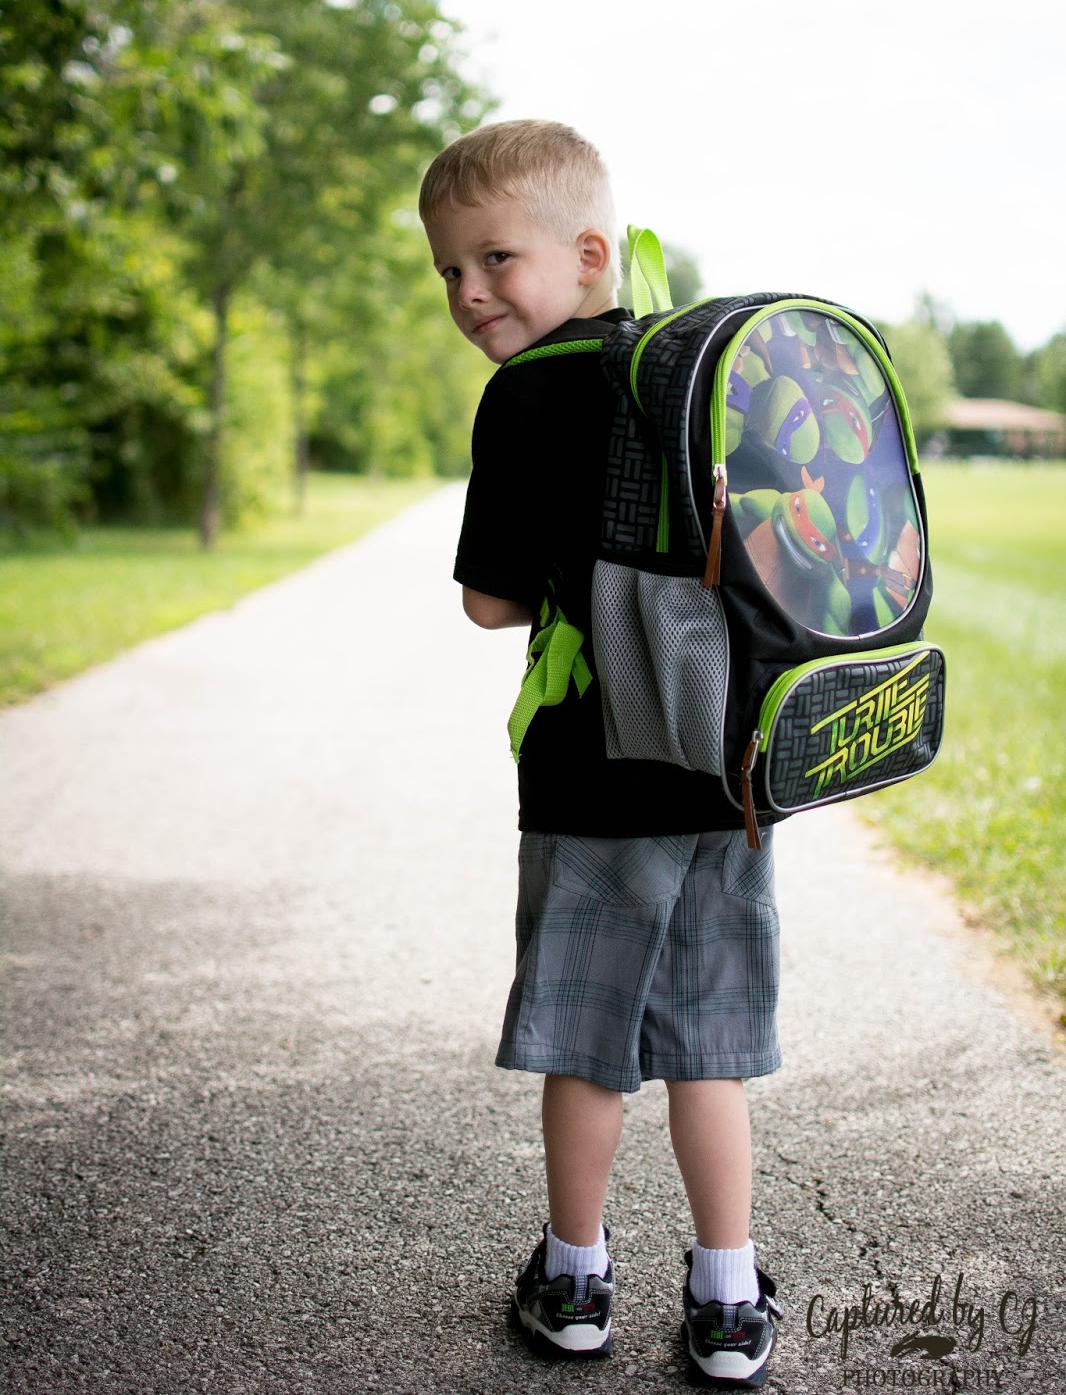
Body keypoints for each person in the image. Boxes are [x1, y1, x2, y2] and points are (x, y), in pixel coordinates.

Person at [419, 120, 782, 1388]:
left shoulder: (525, 393)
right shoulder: (694, 373)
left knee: (589, 1043)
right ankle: (726, 1296)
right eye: (449, 271)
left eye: (493, 259)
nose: (469, 291)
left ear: (586, 254)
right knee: (709, 1044)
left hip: (587, 775)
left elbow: (490, 601)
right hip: (724, 766)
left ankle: (574, 1279)